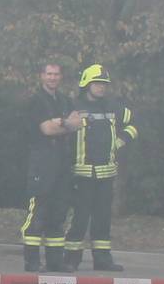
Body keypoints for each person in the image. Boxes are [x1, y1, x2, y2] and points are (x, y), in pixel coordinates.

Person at [61, 64, 138, 272]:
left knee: (103, 218)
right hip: (81, 173)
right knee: (79, 218)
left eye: (104, 84)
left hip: (106, 173)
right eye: (97, 83)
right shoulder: (74, 106)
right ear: (86, 83)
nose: (101, 87)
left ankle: (102, 259)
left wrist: (120, 142)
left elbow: (133, 124)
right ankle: (71, 259)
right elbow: (63, 130)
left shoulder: (113, 106)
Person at [21, 60, 78, 271]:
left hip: (62, 162)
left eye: (56, 74)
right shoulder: (35, 101)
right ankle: (32, 261)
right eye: (49, 74)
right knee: (39, 212)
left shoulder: (65, 100)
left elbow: (77, 123)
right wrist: (65, 124)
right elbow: (47, 130)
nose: (53, 77)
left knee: (59, 212)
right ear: (41, 76)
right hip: (42, 162)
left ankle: (55, 261)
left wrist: (60, 122)